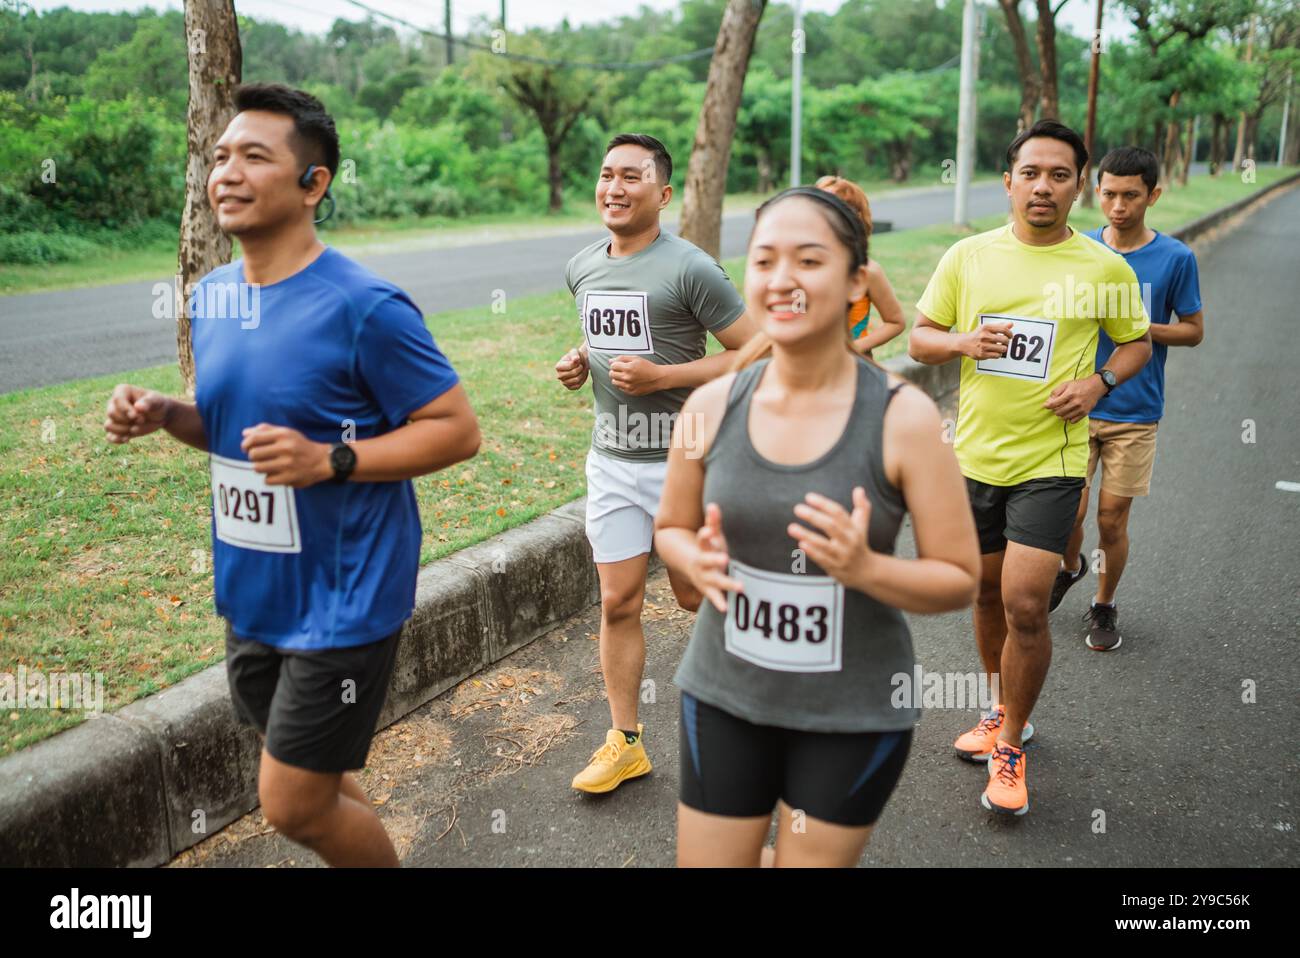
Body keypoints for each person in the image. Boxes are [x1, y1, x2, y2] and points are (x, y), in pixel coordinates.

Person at [103, 84, 480, 866]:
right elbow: (237, 433)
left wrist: (331, 459)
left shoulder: (364, 306)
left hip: (346, 595)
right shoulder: (212, 297)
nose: (227, 173)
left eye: (254, 156)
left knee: (290, 801)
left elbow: (456, 430)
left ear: (314, 183)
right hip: (255, 589)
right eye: (219, 157)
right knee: (318, 782)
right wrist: (169, 414)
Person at [655, 187, 979, 866]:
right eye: (764, 260)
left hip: (851, 713)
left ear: (857, 281)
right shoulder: (709, 407)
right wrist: (695, 559)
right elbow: (670, 529)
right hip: (725, 696)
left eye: (808, 260)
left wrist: (867, 569)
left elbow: (958, 578)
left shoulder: (904, 418)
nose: (782, 279)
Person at [909, 120, 1152, 816]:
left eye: (1059, 175)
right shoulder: (968, 257)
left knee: (1024, 604)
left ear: (1079, 185)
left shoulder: (1103, 268)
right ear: (1008, 182)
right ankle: (998, 707)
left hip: (1053, 459)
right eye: (1031, 173)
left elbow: (1135, 344)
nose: (1043, 186)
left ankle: (1012, 743)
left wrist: (1099, 384)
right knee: (986, 596)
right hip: (976, 458)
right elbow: (921, 339)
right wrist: (963, 340)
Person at [554, 133, 759, 794]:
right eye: (606, 174)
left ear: (663, 193)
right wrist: (580, 360)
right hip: (612, 460)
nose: (614, 188)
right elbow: (601, 335)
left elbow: (755, 352)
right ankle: (626, 742)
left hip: (685, 459)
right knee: (618, 600)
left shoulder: (691, 268)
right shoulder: (582, 266)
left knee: (697, 595)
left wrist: (666, 375)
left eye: (631, 177)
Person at [1051, 147, 1204, 651]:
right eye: (1110, 194)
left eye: (1131, 196)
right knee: (1067, 513)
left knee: (1111, 518)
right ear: (1095, 192)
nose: (1118, 206)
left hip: (1135, 411)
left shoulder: (1176, 258)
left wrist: (1136, 329)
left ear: (1153, 195)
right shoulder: (1079, 249)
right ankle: (1070, 566)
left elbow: (1193, 330)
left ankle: (1104, 603)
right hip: (1076, 405)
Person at [814, 175, 905, 359]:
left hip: (853, 367)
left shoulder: (868, 270)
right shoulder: (801, 268)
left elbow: (896, 322)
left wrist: (854, 347)